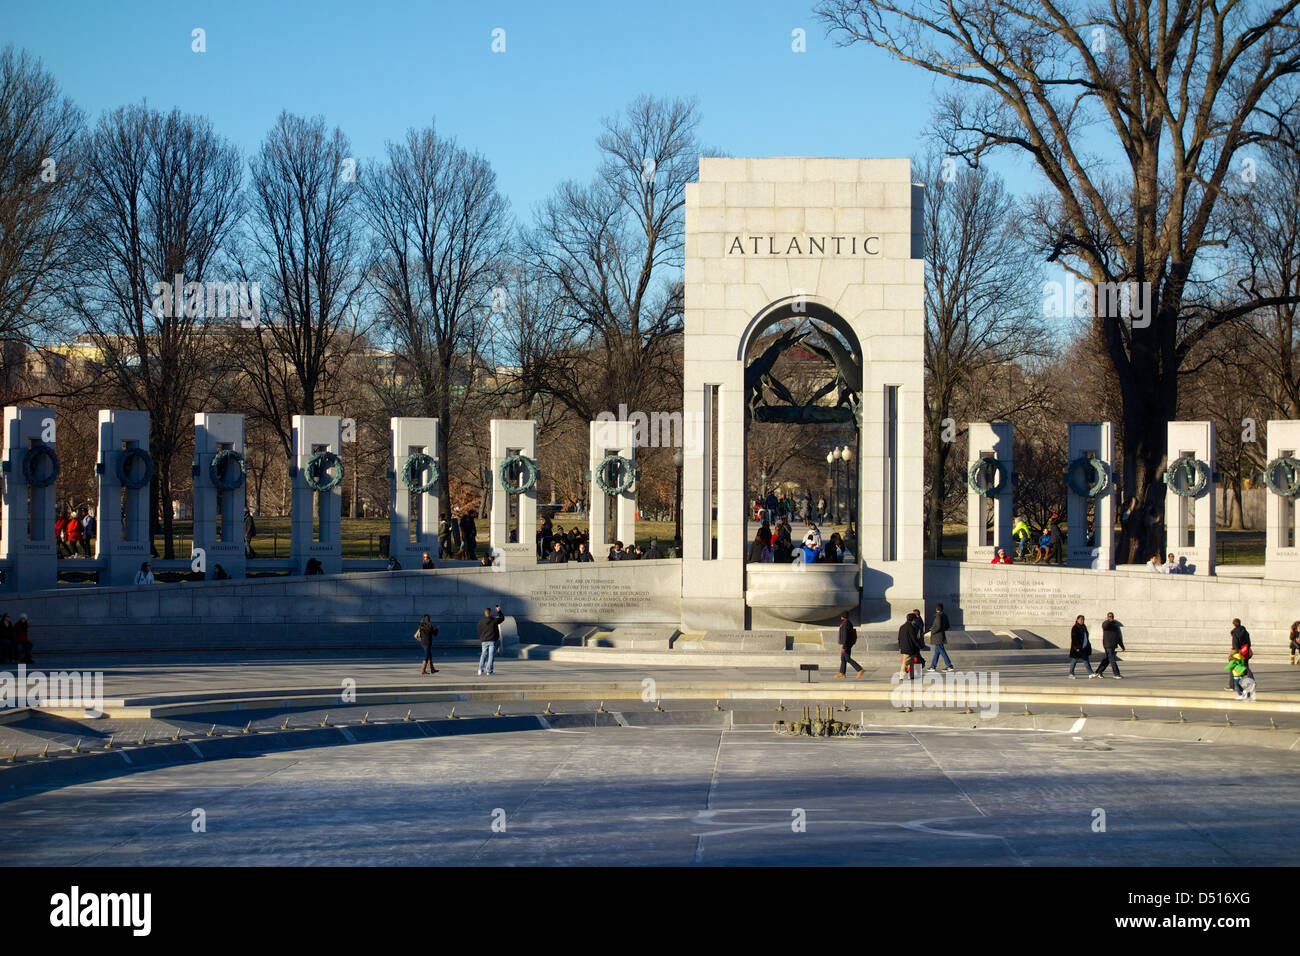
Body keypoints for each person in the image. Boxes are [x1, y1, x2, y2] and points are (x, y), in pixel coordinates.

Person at [476, 605, 505, 676]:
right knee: (491, 655)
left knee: (483, 654)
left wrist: (482, 637)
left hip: (484, 640)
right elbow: (502, 618)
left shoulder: (481, 622)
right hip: (492, 640)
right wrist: (499, 610)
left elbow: (479, 630)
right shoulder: (494, 620)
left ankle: (480, 669)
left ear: (485, 613)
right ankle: (489, 671)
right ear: (491, 613)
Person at [835, 612, 864, 679]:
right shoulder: (847, 622)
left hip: (847, 644)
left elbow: (845, 636)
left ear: (842, 616)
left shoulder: (845, 623)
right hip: (848, 643)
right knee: (843, 658)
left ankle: (859, 669)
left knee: (847, 658)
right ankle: (842, 673)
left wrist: (844, 647)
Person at [1096, 611, 1125, 679]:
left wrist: (1122, 646)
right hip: (1108, 645)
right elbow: (1105, 625)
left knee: (1107, 659)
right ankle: (1116, 674)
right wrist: (1109, 621)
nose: (1111, 618)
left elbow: (1118, 637)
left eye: (1112, 616)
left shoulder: (1115, 625)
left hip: (1113, 645)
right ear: (1107, 617)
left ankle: (1099, 672)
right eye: (1109, 616)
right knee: (1112, 659)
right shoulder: (1106, 624)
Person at [898, 611, 923, 680]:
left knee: (910, 662)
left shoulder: (902, 627)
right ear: (913, 619)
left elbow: (899, 638)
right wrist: (919, 646)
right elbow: (914, 638)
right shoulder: (911, 627)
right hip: (910, 647)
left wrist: (900, 646)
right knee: (907, 662)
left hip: (904, 647)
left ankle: (911, 675)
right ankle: (903, 675)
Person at [1228, 618, 1253, 689]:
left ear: (1234, 624)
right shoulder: (1245, 632)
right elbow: (1249, 643)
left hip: (1237, 653)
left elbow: (1235, 645)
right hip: (1245, 652)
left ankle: (1231, 685)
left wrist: (1236, 652)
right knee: (1246, 667)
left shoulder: (1235, 632)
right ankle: (1252, 681)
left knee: (1233, 667)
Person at [927, 603, 952, 672]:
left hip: (937, 636)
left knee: (941, 650)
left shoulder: (938, 616)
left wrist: (932, 631)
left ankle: (949, 665)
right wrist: (942, 630)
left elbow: (938, 626)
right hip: (941, 635)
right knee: (937, 652)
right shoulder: (944, 615)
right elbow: (947, 625)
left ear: (937, 609)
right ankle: (933, 666)